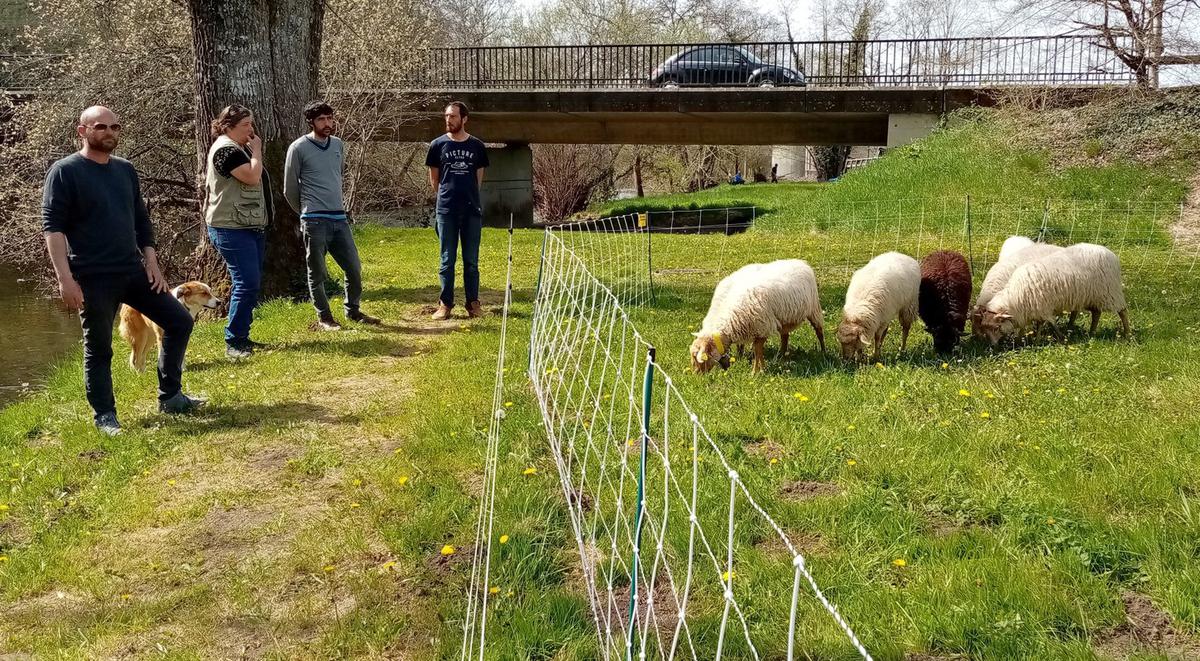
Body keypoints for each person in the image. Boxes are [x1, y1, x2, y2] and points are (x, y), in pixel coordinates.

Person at [42, 106, 201, 436]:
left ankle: (170, 396)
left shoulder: (126, 170)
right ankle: (105, 416)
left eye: (115, 126)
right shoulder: (65, 171)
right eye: (101, 126)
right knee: (99, 348)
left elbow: (141, 221)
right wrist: (65, 279)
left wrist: (152, 263)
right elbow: (53, 228)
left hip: (132, 271)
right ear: (82, 131)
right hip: (91, 276)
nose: (109, 132)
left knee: (179, 320)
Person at [284, 100, 380, 331]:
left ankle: (353, 310)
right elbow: (289, 189)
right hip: (314, 220)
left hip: (339, 218)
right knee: (317, 272)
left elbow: (337, 175)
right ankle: (325, 317)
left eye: (330, 118)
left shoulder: (337, 144)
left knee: (354, 268)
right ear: (311, 122)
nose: (327, 123)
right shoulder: (298, 148)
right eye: (321, 119)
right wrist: (306, 212)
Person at [204, 104, 271, 359]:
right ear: (228, 126)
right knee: (246, 283)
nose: (251, 130)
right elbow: (252, 177)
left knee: (250, 283)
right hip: (230, 227)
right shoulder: (225, 151)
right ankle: (234, 342)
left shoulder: (236, 147)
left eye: (251, 124)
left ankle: (242, 336)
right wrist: (257, 152)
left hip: (247, 225)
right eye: (246, 125)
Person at [425, 101, 489, 321]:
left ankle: (473, 304)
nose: (448, 120)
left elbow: (478, 179)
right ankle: (445, 304)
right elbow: (434, 179)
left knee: (471, 261)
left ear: (464, 119)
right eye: (446, 116)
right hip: (446, 211)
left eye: (453, 116)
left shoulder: (477, 146)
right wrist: (446, 198)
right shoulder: (437, 145)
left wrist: (468, 197)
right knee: (446, 260)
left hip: (471, 211)